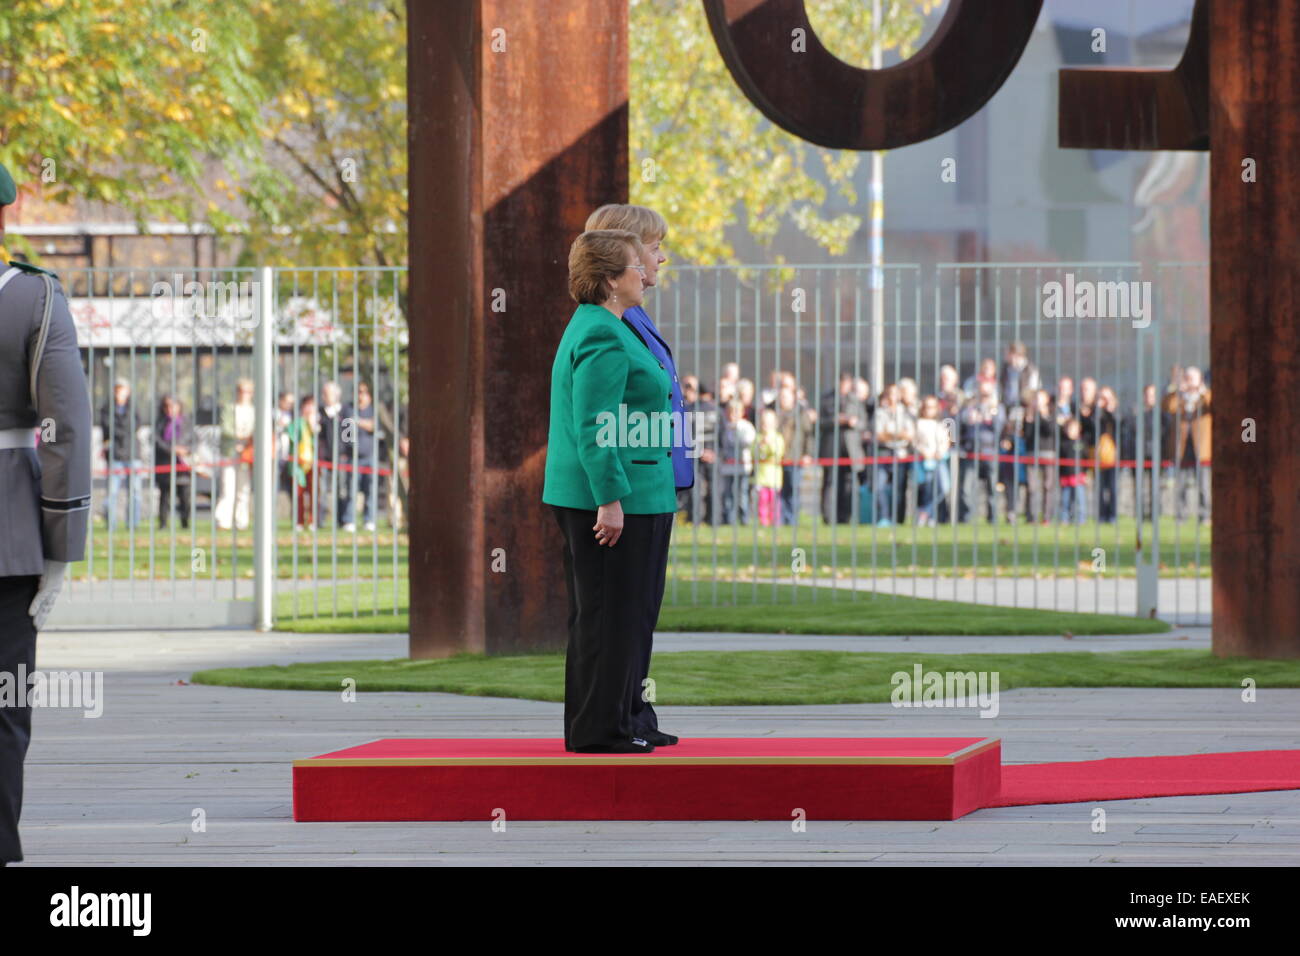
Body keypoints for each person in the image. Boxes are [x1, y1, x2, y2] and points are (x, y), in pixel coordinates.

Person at [542, 228, 676, 754]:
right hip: (616, 496)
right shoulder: (601, 332)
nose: (644, 273)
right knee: (607, 615)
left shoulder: (605, 325)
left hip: (631, 491)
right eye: (632, 268)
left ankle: (612, 722)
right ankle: (601, 730)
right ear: (608, 280)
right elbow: (596, 425)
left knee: (613, 613)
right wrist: (610, 500)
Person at [0, 159, 93, 865]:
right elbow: (64, 428)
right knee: (3, 710)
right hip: (8, 538)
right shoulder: (34, 298)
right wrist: (61, 544)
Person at [583, 204, 688, 744]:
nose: (658, 259)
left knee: (639, 613)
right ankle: (616, 722)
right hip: (632, 485)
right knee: (621, 613)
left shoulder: (632, 317)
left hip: (651, 480)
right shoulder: (615, 322)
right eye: (650, 247)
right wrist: (611, 496)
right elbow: (598, 417)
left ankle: (634, 717)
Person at [819, 371, 865, 524]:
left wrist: (854, 422)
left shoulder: (855, 401)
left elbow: (863, 423)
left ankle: (845, 517)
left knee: (849, 484)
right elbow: (819, 422)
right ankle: (828, 517)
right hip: (831, 447)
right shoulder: (826, 399)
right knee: (830, 482)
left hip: (850, 449)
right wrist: (835, 420)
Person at [98, 377, 142, 530]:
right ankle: (111, 524)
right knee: (112, 491)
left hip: (132, 453)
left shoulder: (133, 407)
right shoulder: (107, 408)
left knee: (135, 491)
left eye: (123, 390)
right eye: (117, 390)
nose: (120, 393)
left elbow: (135, 425)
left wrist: (121, 431)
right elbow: (107, 426)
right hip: (115, 454)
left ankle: (133, 524)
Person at [340, 380, 383, 532]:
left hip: (371, 456)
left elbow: (375, 426)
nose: (361, 395)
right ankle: (349, 520)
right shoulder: (347, 409)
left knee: (370, 490)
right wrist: (364, 424)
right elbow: (347, 433)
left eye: (364, 392)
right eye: (359, 391)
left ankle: (369, 520)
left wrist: (358, 422)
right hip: (353, 457)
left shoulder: (375, 410)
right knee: (351, 490)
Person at [215, 378, 254, 531]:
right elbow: (226, 428)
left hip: (247, 453)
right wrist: (238, 437)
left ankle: (241, 520)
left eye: (249, 392)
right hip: (229, 452)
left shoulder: (254, 410)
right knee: (227, 487)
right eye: (243, 391)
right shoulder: (230, 408)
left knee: (243, 488)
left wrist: (248, 440)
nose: (245, 395)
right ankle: (223, 520)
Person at [154, 395, 192, 528]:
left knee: (185, 497)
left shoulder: (186, 422)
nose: (170, 409)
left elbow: (193, 440)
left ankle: (185, 523)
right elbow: (157, 441)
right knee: (165, 497)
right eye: (167, 406)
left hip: (183, 465)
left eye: (173, 405)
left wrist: (185, 450)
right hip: (165, 465)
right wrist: (172, 449)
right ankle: (163, 523)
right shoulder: (160, 423)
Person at [718, 399, 755, 524]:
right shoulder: (723, 426)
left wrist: (736, 431)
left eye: (736, 412)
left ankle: (744, 518)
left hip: (742, 466)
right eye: (730, 411)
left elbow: (748, 441)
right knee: (727, 493)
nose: (732, 415)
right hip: (727, 466)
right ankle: (729, 519)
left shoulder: (746, 426)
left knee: (742, 493)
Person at [287, 394, 319, 531]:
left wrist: (313, 426)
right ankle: (298, 521)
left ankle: (312, 521)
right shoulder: (296, 422)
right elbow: (292, 436)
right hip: (298, 463)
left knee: (313, 493)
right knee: (298, 493)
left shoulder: (317, 423)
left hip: (314, 463)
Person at [754, 408, 785, 527]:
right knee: (762, 501)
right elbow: (754, 454)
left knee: (774, 502)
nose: (765, 425)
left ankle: (775, 521)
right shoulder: (758, 438)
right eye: (763, 422)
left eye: (768, 422)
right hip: (761, 478)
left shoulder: (777, 438)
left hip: (774, 479)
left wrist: (770, 444)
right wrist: (760, 446)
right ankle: (763, 522)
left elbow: (778, 454)